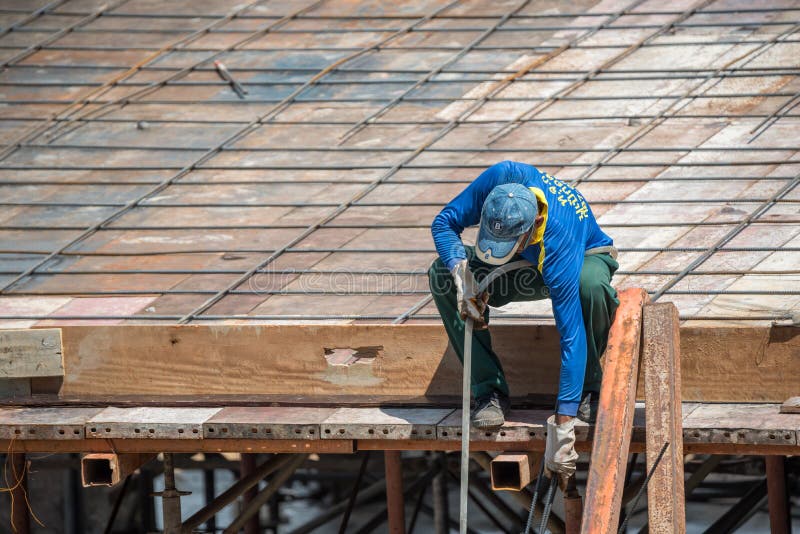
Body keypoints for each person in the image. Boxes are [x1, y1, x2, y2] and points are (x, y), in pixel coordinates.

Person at [428, 160, 619, 481]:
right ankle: (488, 391)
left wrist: (563, 425)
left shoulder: (559, 239)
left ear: (535, 222)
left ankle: (590, 386)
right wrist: (462, 275)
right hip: (522, 259)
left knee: (590, 287)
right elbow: (444, 223)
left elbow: (571, 336)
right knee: (440, 274)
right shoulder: (501, 178)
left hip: (579, 258)